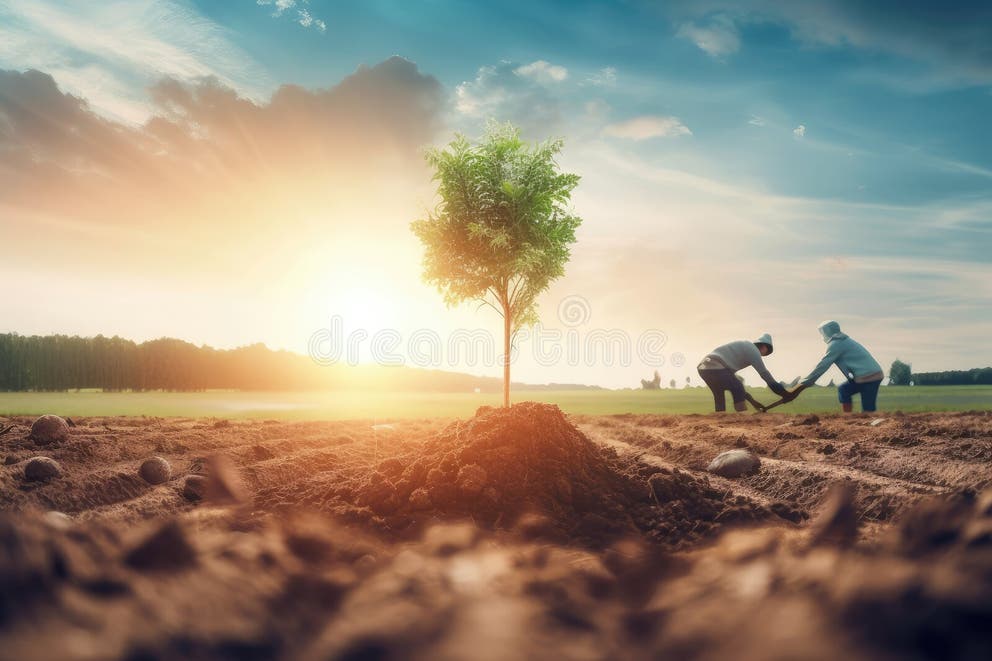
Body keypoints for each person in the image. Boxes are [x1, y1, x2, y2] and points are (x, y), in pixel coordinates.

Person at [787, 320, 883, 412]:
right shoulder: (843, 340)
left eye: (822, 332)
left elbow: (822, 366)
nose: (822, 336)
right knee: (844, 390)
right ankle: (848, 418)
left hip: (870, 376)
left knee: (868, 409)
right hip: (867, 375)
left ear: (827, 331)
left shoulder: (836, 344)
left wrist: (802, 385)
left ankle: (860, 420)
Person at [697, 334, 790, 413]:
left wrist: (753, 402)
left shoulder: (745, 346)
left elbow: (733, 383)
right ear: (764, 346)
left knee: (719, 393)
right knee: (737, 387)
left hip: (704, 368)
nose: (763, 355)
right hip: (716, 365)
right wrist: (783, 393)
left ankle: (720, 419)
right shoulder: (753, 350)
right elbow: (765, 375)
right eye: (766, 352)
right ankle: (742, 417)